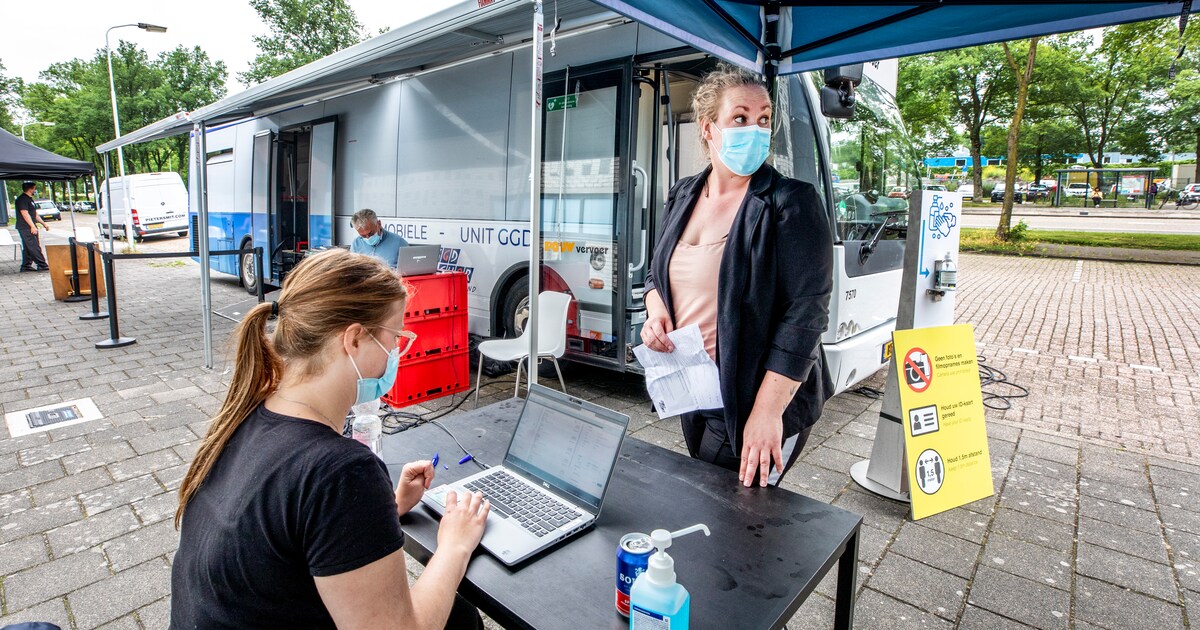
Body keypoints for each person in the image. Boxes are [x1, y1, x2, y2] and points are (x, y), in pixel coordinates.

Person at [171, 249, 489, 629]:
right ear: (354, 339)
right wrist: (455, 544)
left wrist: (386, 508)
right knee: (460, 619)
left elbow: (290, 531)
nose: (396, 352)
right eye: (395, 337)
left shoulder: (244, 416)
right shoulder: (340, 471)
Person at [640, 64, 834, 489]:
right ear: (709, 129)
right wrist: (654, 313)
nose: (756, 129)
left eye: (763, 118)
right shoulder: (685, 192)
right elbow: (656, 277)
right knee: (719, 510)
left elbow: (806, 316)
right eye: (740, 118)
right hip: (696, 389)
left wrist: (767, 413)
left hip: (754, 397)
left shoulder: (791, 202)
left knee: (735, 517)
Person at [14, 182, 50, 272]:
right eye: (34, 188)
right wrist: (32, 226)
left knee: (28, 246)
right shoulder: (22, 199)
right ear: (30, 189)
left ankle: (26, 265)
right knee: (33, 245)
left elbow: (34, 214)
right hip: (25, 227)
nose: (35, 190)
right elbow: (24, 213)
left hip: (30, 226)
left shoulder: (29, 199)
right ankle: (42, 264)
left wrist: (43, 223)